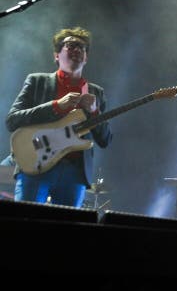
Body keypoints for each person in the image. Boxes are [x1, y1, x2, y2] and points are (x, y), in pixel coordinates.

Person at [6, 26, 111, 207]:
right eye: (70, 45)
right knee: (24, 223)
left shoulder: (96, 93)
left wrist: (94, 112)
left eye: (82, 47)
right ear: (56, 55)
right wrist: (55, 105)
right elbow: (13, 119)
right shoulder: (37, 81)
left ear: (86, 58)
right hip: (35, 164)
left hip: (74, 173)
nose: (77, 49)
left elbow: (105, 139)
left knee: (65, 230)